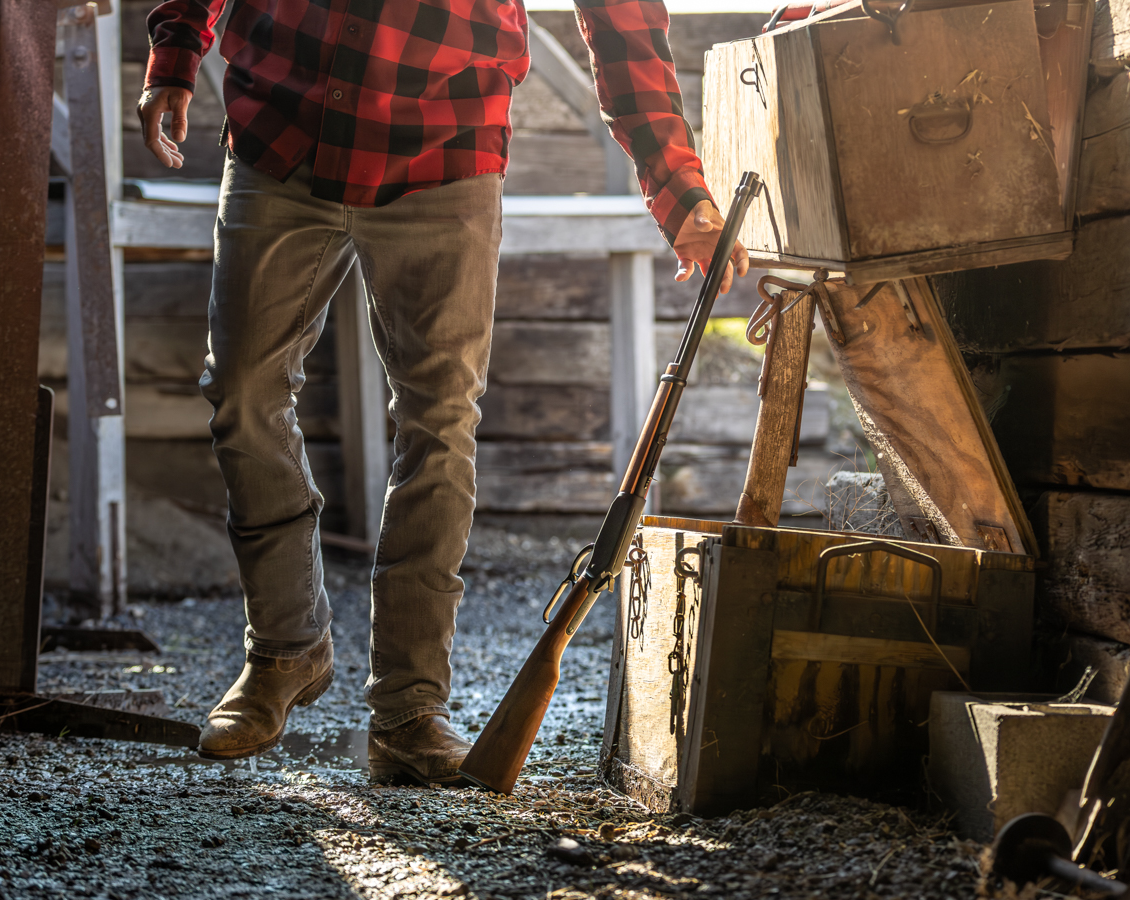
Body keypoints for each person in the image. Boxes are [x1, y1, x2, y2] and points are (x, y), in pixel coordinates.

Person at [137, 0, 745, 785]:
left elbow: (622, 19)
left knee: (439, 422)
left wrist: (678, 189)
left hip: (444, 147)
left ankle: (408, 710)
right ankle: (284, 650)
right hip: (281, 128)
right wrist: (176, 49)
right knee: (241, 391)